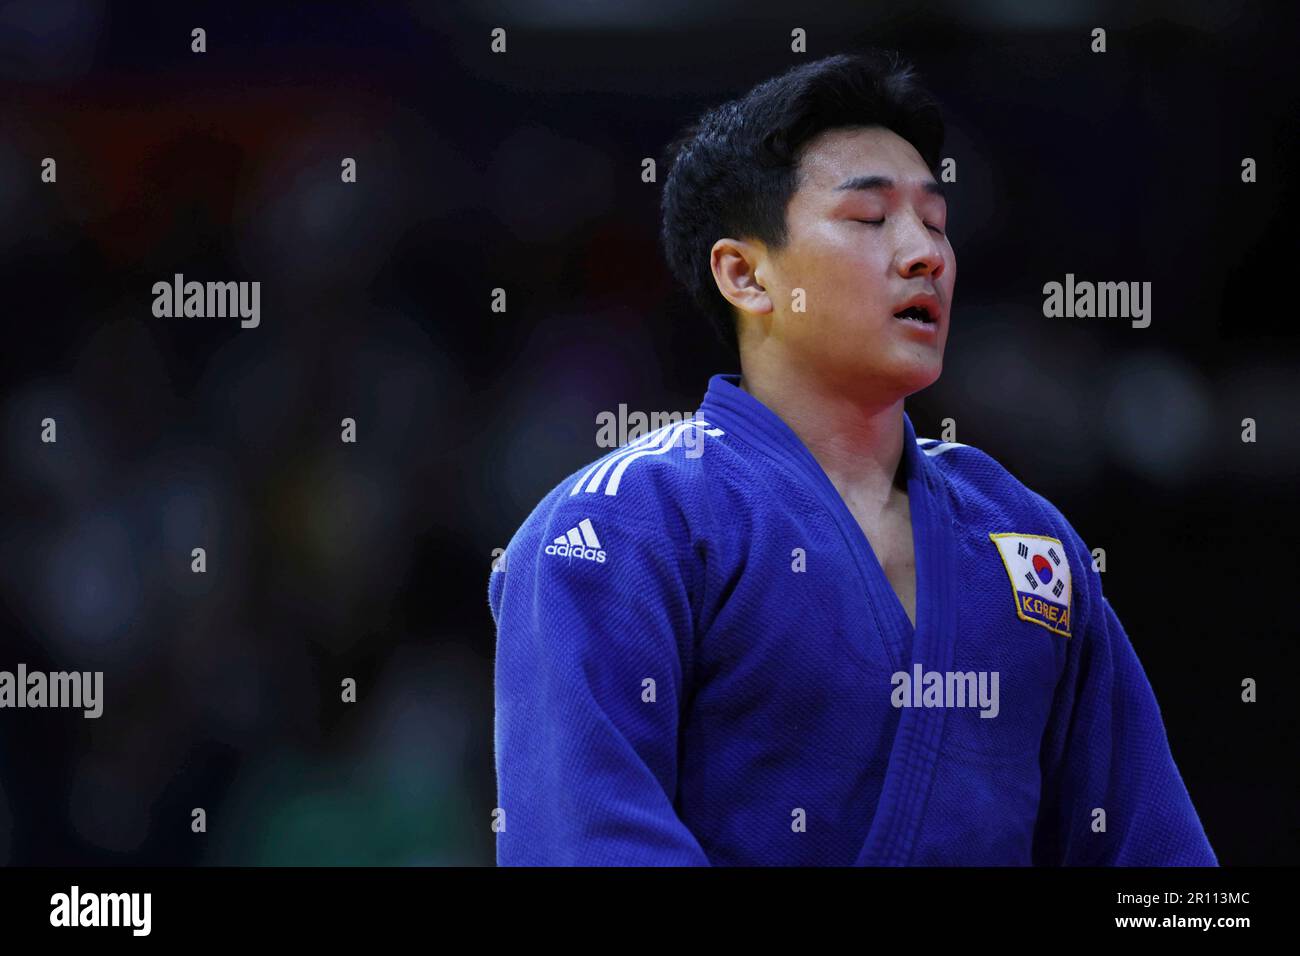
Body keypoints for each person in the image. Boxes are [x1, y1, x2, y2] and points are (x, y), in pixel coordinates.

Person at [488, 49, 1217, 866]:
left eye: (937, 225)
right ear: (745, 275)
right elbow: (590, 843)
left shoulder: (1025, 537)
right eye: (871, 220)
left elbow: (1156, 863)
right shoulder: (618, 526)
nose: (926, 255)